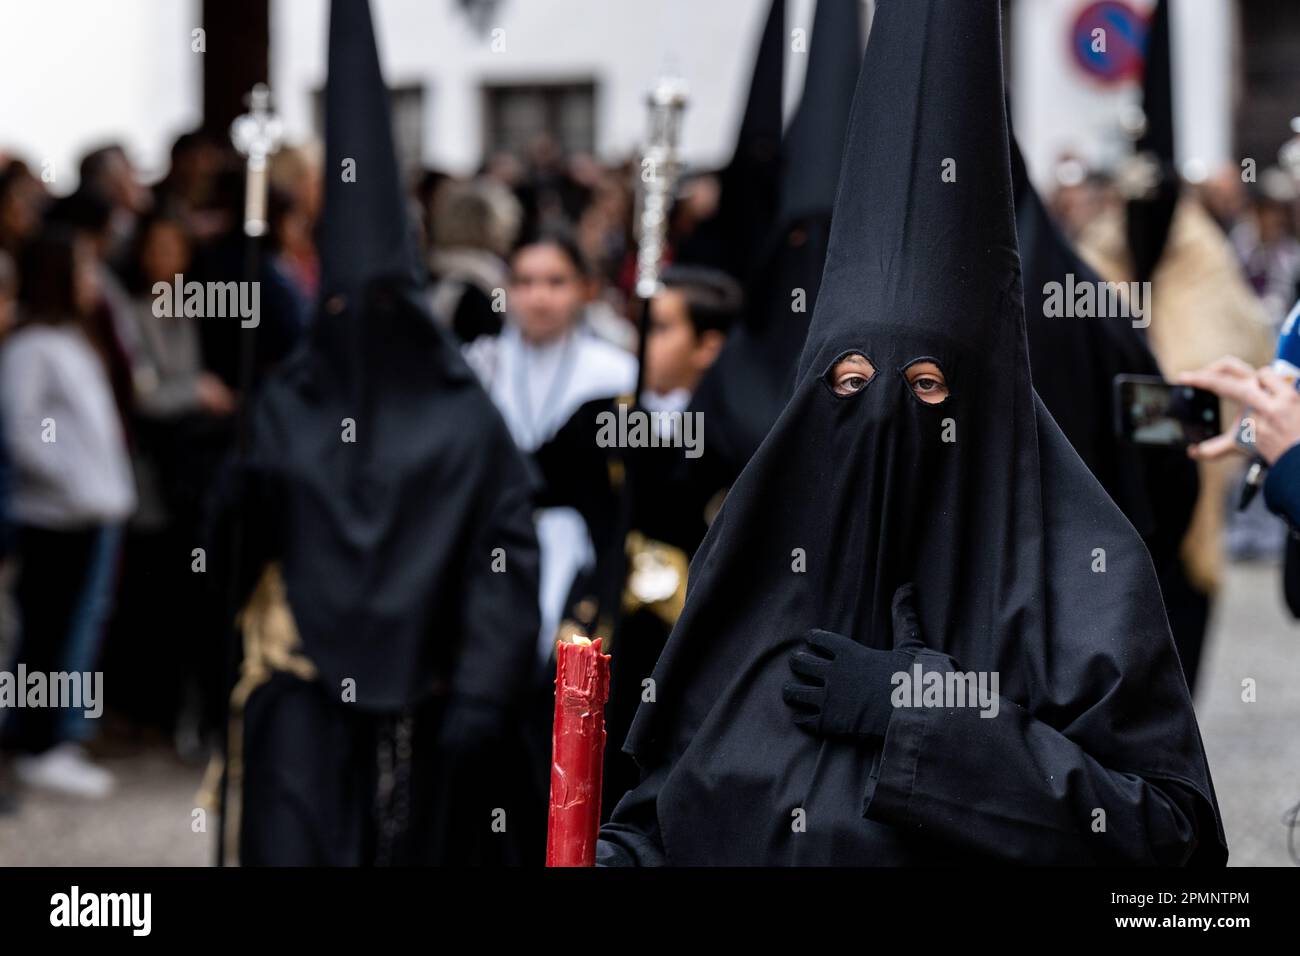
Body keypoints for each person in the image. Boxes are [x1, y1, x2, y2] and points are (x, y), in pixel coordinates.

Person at [597, 0, 1226, 866]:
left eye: (928, 386)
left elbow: (1176, 850)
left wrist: (935, 719)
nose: (885, 411)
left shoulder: (1088, 573)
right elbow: (662, 808)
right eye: (850, 385)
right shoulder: (761, 562)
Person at [211, 0, 543, 866]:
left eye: (386, 312)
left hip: (424, 705)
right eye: (349, 312)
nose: (367, 330)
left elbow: (505, 560)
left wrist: (481, 687)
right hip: (300, 699)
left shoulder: (467, 420)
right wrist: (230, 510)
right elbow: (225, 568)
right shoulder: (286, 403)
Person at [0, 226, 136, 798]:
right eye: (80, 271)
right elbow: (24, 429)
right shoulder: (31, 348)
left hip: (90, 510)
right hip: (55, 514)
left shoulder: (72, 340)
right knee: (49, 631)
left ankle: (59, 732)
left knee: (76, 627)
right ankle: (39, 739)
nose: (91, 283)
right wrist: (73, 483)